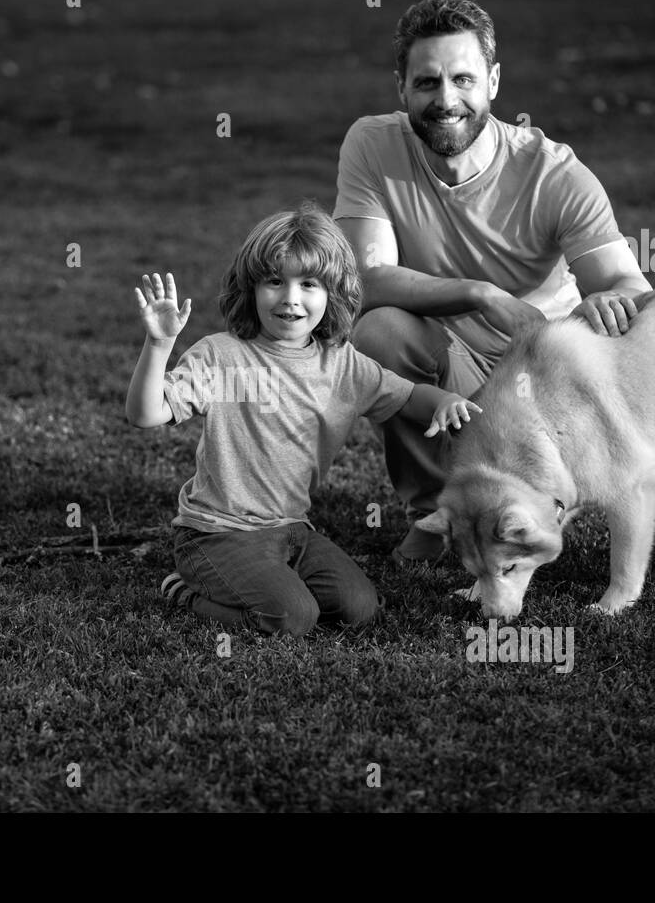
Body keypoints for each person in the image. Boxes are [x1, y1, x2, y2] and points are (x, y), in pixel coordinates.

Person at [333, 0, 653, 563]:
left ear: (494, 81)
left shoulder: (553, 173)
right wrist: (483, 295)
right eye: (427, 82)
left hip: (540, 373)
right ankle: (439, 514)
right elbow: (363, 279)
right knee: (379, 333)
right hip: (450, 354)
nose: (446, 99)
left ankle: (543, 500)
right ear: (401, 88)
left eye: (463, 79)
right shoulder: (372, 144)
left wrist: (608, 303)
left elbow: (631, 289)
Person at [125, 203, 481, 636]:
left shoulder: (342, 364)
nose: (290, 297)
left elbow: (406, 395)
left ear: (332, 294)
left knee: (358, 609)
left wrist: (443, 400)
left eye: (308, 283)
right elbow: (145, 415)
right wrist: (158, 345)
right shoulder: (221, 356)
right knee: (292, 617)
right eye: (275, 281)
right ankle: (188, 592)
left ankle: (272, 578)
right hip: (217, 533)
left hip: (293, 530)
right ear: (251, 288)